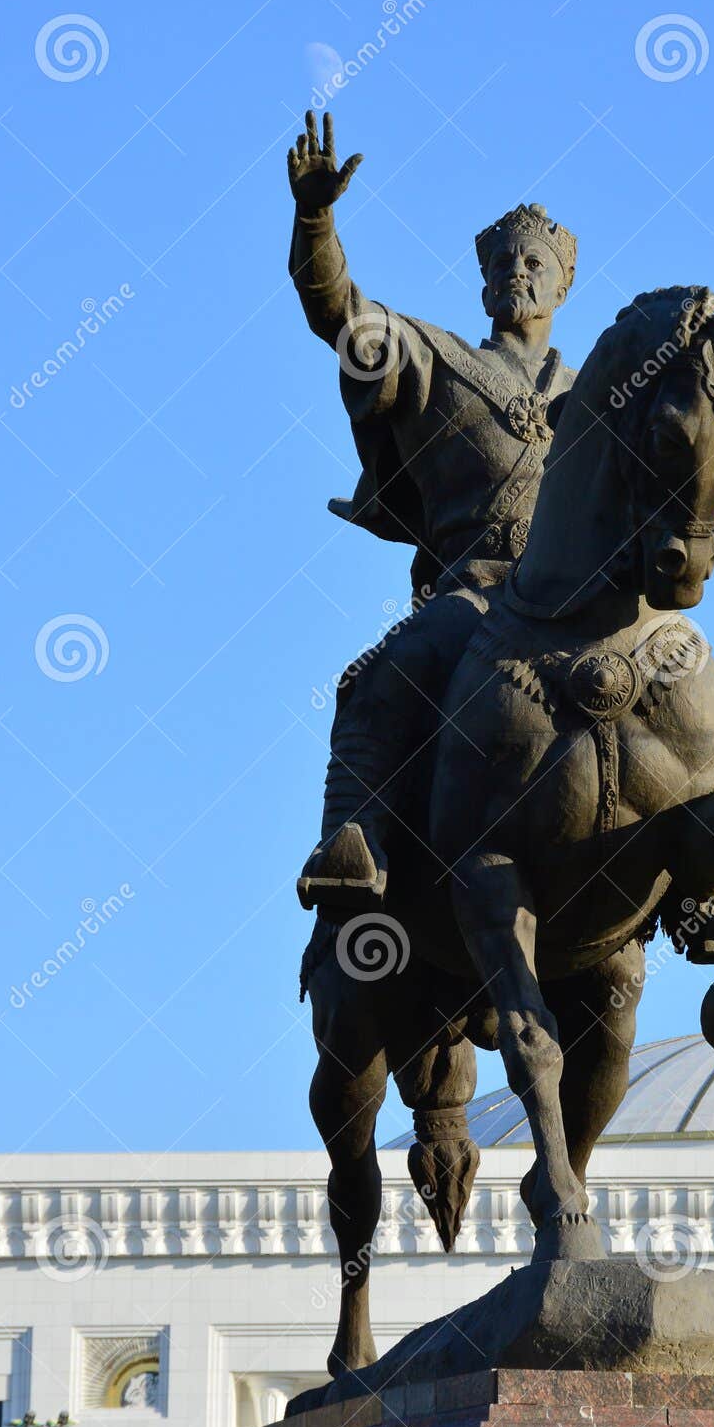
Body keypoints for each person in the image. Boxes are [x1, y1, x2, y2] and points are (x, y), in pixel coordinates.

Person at [288, 111, 578, 914]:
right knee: (384, 675)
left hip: (586, 606)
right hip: (476, 600)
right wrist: (316, 219)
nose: (519, 274)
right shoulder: (432, 362)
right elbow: (337, 312)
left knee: (709, 694)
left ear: (561, 285)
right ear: (484, 282)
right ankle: (355, 836)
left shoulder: (599, 399)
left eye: (535, 263)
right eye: (506, 263)